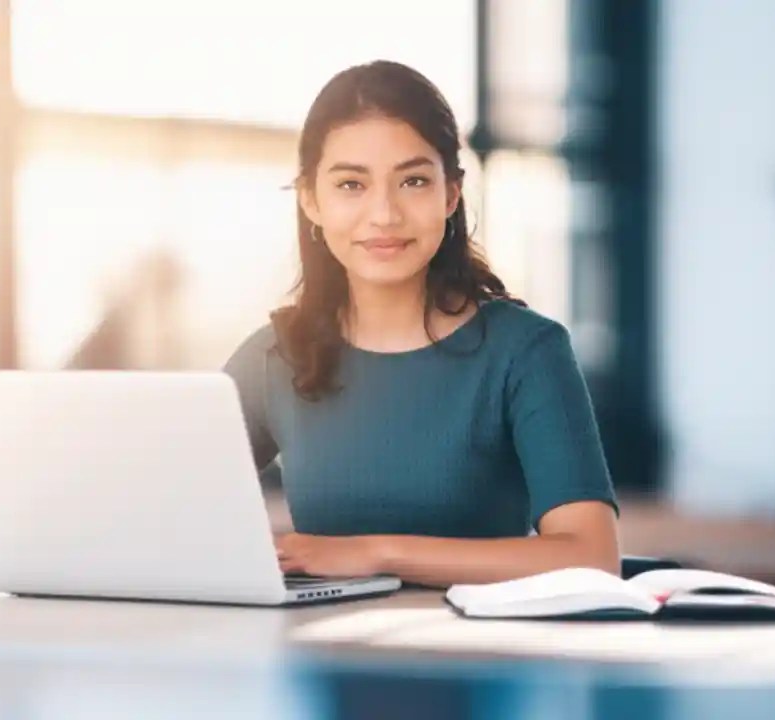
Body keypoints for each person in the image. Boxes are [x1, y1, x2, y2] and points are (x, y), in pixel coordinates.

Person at [222, 61, 620, 588]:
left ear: (451, 194)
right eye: (351, 184)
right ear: (311, 200)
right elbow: (164, 506)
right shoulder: (275, 356)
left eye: (413, 181)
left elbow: (592, 556)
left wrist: (375, 552)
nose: (384, 214)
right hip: (320, 638)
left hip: (481, 637)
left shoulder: (526, 350)